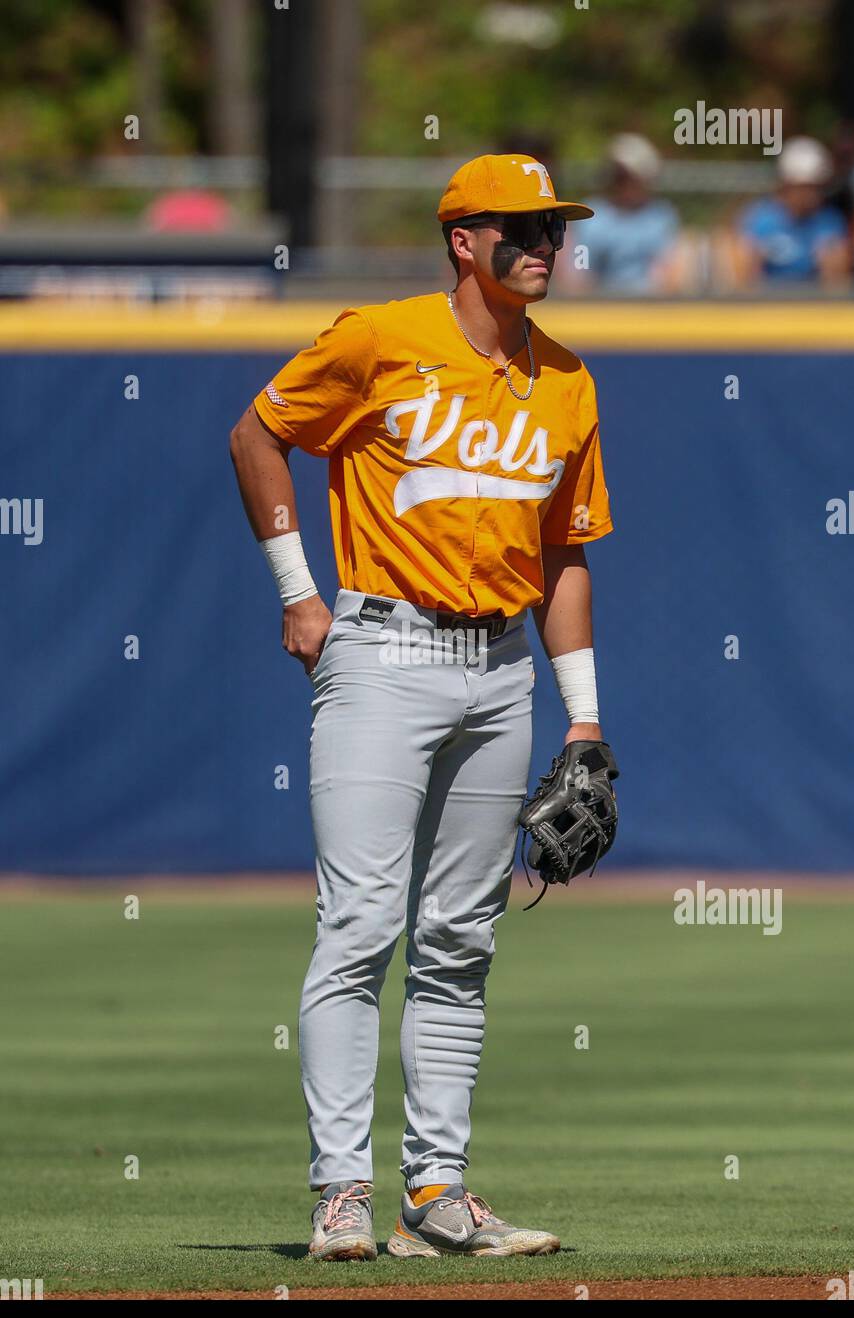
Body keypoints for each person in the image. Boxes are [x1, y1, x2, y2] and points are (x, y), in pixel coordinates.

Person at [230, 153, 615, 1260]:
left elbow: (565, 553)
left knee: (458, 937)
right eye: (519, 226)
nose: (543, 242)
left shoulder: (568, 381)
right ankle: (340, 1192)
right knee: (357, 925)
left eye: (553, 225)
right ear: (462, 239)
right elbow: (256, 432)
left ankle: (434, 1194)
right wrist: (299, 595)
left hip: (501, 671)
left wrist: (582, 715)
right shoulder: (380, 339)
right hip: (381, 649)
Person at [564, 133, 686, 294]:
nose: (622, 182)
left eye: (629, 176)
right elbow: (580, 269)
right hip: (598, 305)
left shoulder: (661, 217)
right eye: (619, 176)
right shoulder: (591, 215)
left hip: (651, 306)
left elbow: (670, 270)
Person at [731, 136, 850, 286]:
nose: (811, 194)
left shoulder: (830, 222)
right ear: (786, 184)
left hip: (814, 306)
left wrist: (831, 265)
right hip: (767, 305)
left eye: (816, 187)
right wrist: (752, 261)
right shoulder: (758, 219)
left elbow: (838, 284)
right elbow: (742, 280)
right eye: (805, 187)